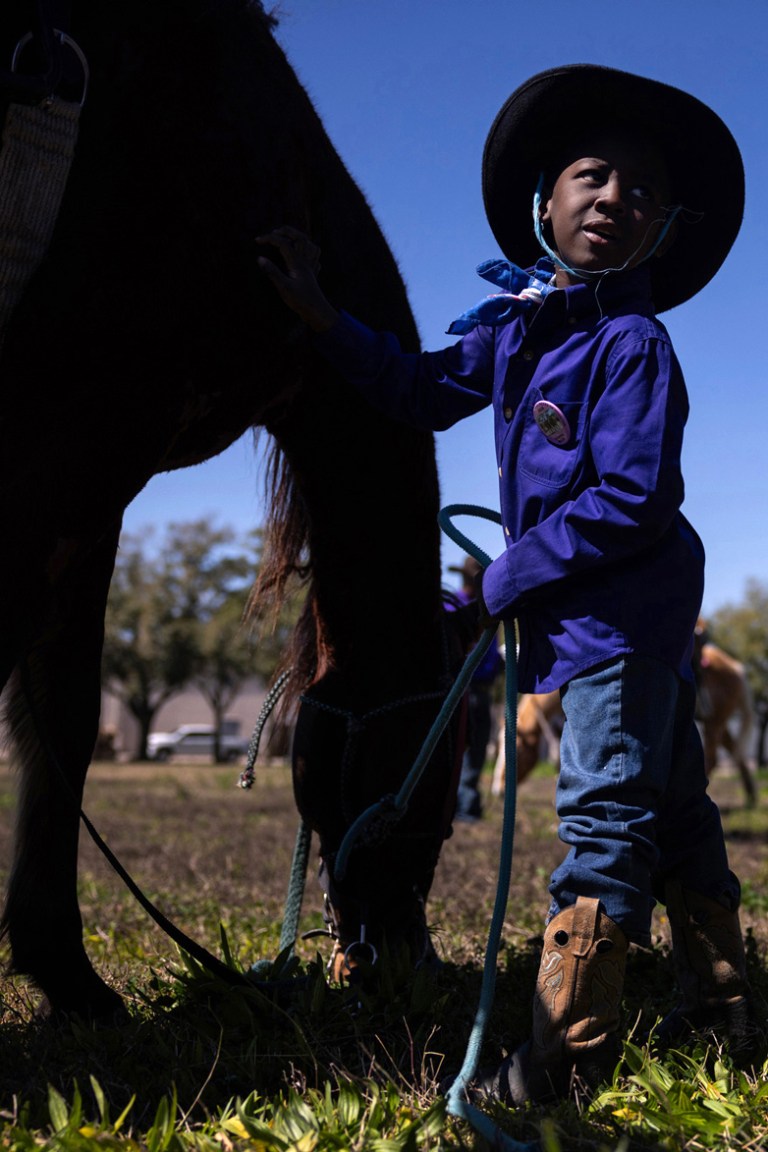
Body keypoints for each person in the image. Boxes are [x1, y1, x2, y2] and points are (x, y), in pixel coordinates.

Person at [256, 64, 762, 1102]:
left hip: (620, 629)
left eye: (641, 192)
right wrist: (320, 317)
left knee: (608, 824)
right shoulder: (518, 333)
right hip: (602, 629)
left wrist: (504, 578)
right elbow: (416, 385)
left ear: (662, 231)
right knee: (672, 813)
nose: (614, 198)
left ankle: (561, 1061)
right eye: (592, 175)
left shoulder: (633, 346)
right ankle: (721, 1001)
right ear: (546, 202)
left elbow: (630, 500)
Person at [448, 555, 504, 822]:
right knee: (463, 746)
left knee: (477, 746)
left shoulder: (485, 608)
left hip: (480, 689)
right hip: (462, 689)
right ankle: (462, 805)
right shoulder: (454, 607)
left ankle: (466, 803)